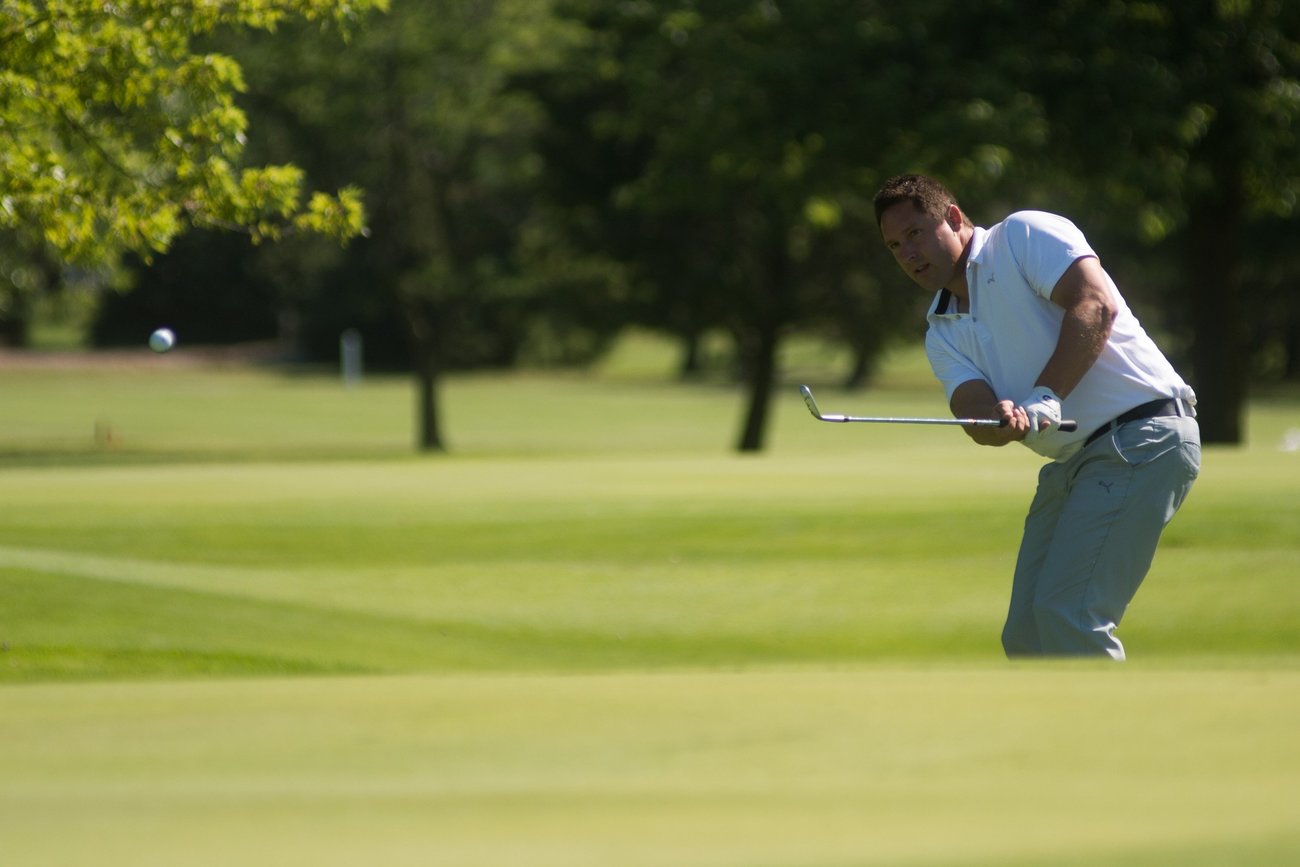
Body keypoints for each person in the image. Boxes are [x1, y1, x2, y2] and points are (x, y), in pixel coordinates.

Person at [872, 174, 1200, 660]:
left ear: (955, 218)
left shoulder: (1023, 235)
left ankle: (1118, 736)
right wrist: (998, 418)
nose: (908, 254)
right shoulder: (940, 330)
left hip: (1141, 435)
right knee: (1027, 635)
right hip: (1073, 464)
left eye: (916, 233)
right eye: (895, 246)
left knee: (1069, 615)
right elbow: (972, 409)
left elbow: (1094, 304)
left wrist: (1045, 396)